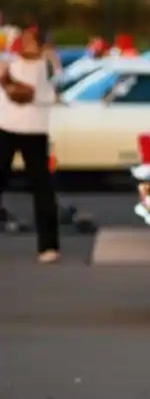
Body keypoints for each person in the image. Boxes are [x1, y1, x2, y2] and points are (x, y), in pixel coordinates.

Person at [0, 26, 60, 262]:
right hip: (5, 127)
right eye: (24, 41)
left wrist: (7, 80)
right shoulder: (11, 63)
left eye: (31, 42)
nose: (26, 45)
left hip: (34, 131)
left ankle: (48, 245)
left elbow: (26, 94)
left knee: (41, 187)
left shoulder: (46, 67)